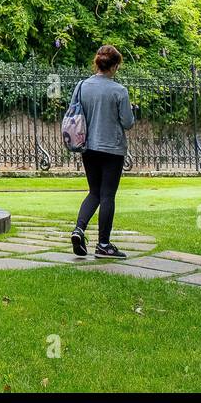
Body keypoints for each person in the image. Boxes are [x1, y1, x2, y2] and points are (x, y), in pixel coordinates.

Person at [70, 44, 138, 259]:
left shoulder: (82, 86)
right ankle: (103, 244)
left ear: (97, 63)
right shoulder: (119, 91)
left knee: (94, 192)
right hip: (112, 149)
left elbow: (72, 112)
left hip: (88, 147)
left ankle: (79, 229)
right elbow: (127, 122)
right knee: (108, 195)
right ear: (115, 66)